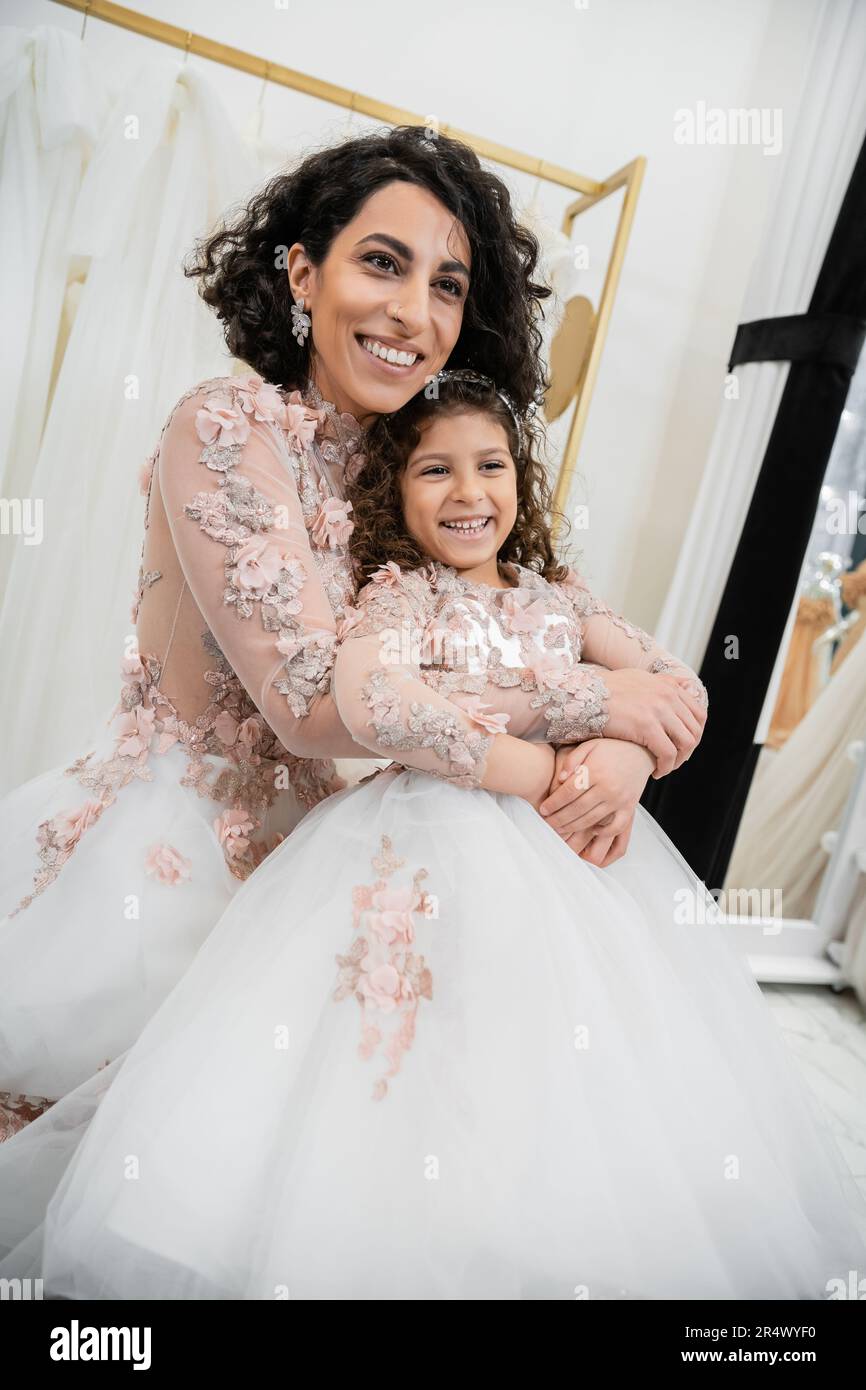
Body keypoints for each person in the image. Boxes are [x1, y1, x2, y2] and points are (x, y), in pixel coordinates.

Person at [4, 372, 861, 1301]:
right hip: (418, 841)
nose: (467, 491)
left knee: (554, 1046)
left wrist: (624, 761)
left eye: (490, 465)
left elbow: (680, 691)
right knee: (407, 1041)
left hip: (577, 860)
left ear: (520, 482)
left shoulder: (562, 601)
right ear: (394, 492)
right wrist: (574, 705)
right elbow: (377, 699)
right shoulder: (399, 595)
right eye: (434, 471)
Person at [0, 127, 704, 1137]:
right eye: (383, 262)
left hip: (334, 865)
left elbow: (621, 650)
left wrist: (622, 753)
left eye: (449, 285)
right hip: (176, 864)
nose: (413, 311)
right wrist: (587, 715)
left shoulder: (425, 467)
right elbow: (313, 704)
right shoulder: (228, 426)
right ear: (300, 269)